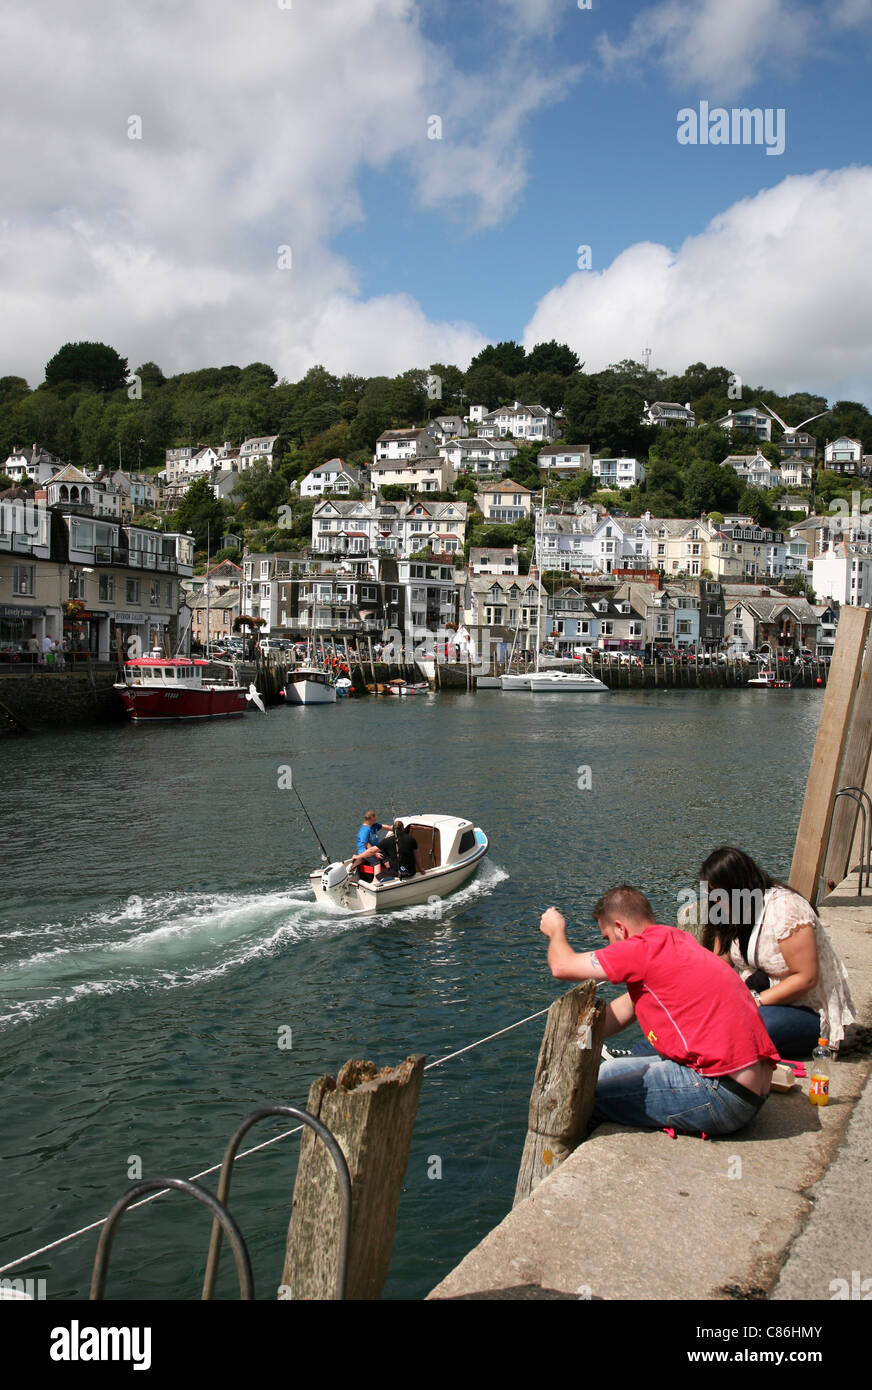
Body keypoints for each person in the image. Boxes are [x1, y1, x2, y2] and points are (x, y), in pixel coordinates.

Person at [539, 885, 779, 1136]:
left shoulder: (639, 949)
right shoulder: (675, 939)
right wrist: (575, 1038)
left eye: (607, 938)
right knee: (606, 1072)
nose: (609, 945)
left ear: (621, 929)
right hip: (751, 1093)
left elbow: (561, 966)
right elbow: (627, 1008)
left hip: (722, 1095)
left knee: (581, 1100)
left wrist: (556, 931)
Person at [698, 846, 856, 1057]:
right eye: (711, 892)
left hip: (807, 1009)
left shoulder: (786, 909)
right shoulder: (729, 909)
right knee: (705, 1021)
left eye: (719, 893)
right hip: (759, 1000)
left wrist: (756, 1001)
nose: (715, 900)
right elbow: (720, 963)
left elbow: (806, 978)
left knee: (743, 1033)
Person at [352, 810, 388, 881]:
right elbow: (366, 844)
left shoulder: (374, 825)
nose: (376, 818)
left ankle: (390, 874)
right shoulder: (365, 830)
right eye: (375, 817)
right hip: (366, 851)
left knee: (386, 858)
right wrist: (375, 853)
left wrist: (393, 829)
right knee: (377, 863)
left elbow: (385, 827)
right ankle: (375, 881)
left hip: (375, 849)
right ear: (371, 818)